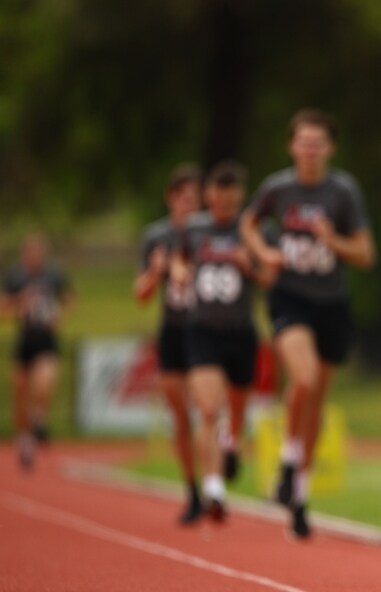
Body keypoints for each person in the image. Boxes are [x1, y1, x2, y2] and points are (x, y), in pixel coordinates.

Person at [240, 108, 376, 539]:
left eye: (318, 143)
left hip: (332, 303)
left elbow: (366, 255)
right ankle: (287, 459)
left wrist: (331, 239)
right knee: (304, 378)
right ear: (292, 146)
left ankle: (298, 493)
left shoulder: (343, 192)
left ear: (329, 148)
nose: (311, 150)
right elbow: (248, 222)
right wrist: (264, 252)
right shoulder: (278, 189)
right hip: (289, 299)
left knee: (316, 398)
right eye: (304, 142)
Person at [171, 160, 268, 522]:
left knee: (238, 411)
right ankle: (213, 487)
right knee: (209, 410)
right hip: (202, 331)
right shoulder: (194, 228)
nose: (224, 208)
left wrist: (250, 267)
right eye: (218, 201)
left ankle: (232, 446)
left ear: (239, 198)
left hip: (241, 332)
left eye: (231, 203)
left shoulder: (252, 229)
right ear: (209, 195)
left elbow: (271, 275)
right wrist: (181, 274)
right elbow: (180, 261)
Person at [134, 164, 205, 523]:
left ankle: (214, 481)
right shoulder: (156, 237)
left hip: (207, 330)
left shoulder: (212, 232)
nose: (188, 205)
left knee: (206, 403)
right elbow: (141, 294)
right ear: (171, 199)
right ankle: (192, 489)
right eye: (182, 198)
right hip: (173, 330)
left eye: (195, 198)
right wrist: (157, 271)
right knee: (180, 412)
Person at [1, 233, 74, 471]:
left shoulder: (54, 275)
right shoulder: (16, 276)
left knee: (46, 380)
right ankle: (26, 440)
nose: (34, 256)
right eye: (30, 252)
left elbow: (70, 298)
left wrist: (59, 315)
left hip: (47, 339)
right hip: (25, 340)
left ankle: (39, 417)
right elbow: (3, 308)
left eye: (38, 251)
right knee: (20, 392)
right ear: (25, 254)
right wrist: (19, 303)